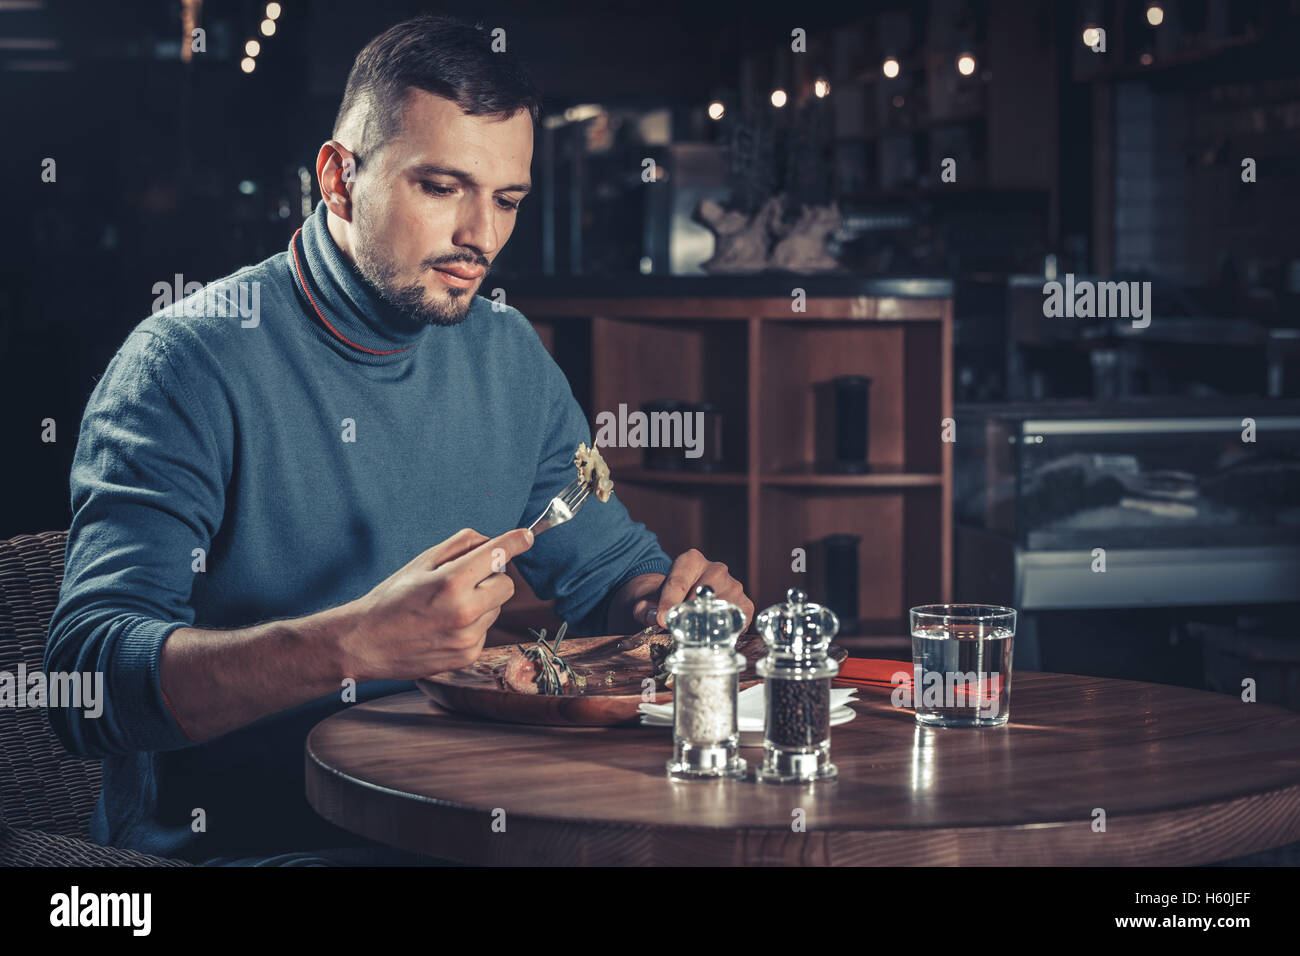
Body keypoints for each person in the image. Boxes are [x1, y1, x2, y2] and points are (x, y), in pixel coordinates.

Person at [45, 14, 753, 867]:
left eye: (507, 200)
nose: (480, 238)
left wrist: (661, 607)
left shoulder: (507, 353)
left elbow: (604, 574)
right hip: (258, 848)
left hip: (474, 827)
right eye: (442, 187)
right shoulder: (184, 364)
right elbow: (83, 690)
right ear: (339, 179)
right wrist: (351, 642)